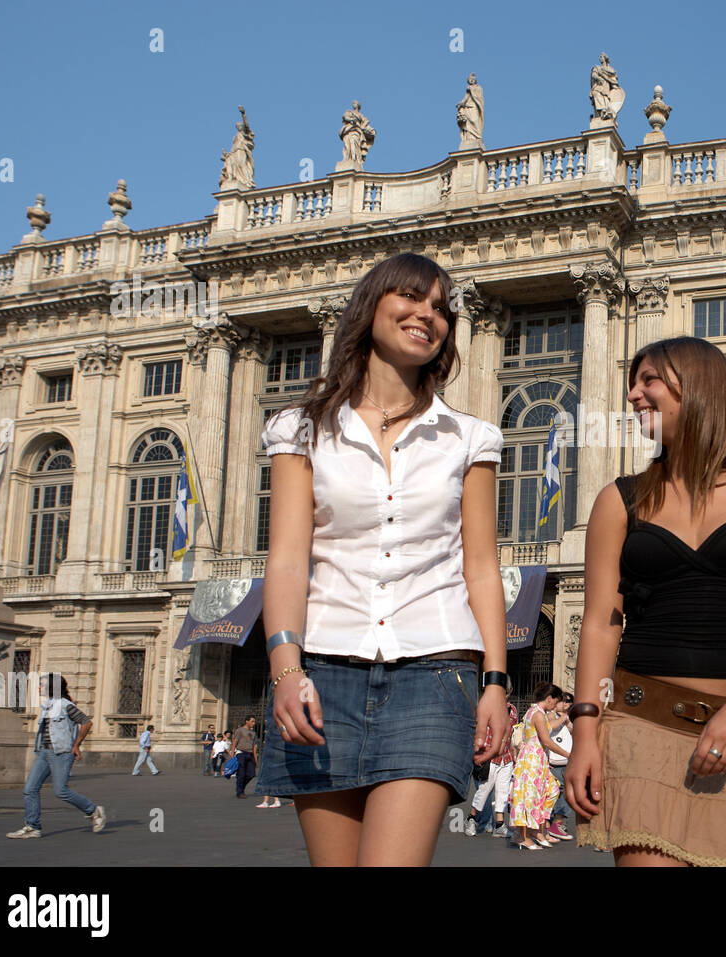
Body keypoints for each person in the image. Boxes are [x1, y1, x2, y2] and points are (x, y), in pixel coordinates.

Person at [252, 252, 509, 866]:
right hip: (324, 675)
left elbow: (480, 566)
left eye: (443, 309)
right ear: (371, 307)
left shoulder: (469, 438)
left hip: (434, 674)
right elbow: (287, 561)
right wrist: (286, 669)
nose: (428, 315)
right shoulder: (300, 430)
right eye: (412, 298)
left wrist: (496, 682)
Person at [567, 336, 726, 867]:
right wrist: (585, 731)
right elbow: (602, 624)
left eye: (648, 380)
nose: (633, 394)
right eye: (634, 382)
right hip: (639, 725)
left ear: (696, 388)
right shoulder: (619, 499)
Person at [7, 674, 106, 839]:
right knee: (30, 789)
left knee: (60, 791)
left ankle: (94, 811)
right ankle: (32, 827)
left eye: (42, 685)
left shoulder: (65, 705)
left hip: (61, 753)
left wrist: (76, 745)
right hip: (44, 752)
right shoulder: (47, 706)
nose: (39, 688)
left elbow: (87, 722)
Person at [510, 683, 568, 850]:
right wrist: (568, 755)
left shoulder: (536, 712)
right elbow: (547, 741)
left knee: (550, 791)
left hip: (538, 759)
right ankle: (522, 835)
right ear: (549, 698)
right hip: (533, 759)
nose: (555, 705)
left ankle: (535, 830)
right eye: (555, 701)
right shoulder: (538, 714)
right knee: (530, 797)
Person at [465, 694, 519, 838]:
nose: (505, 694)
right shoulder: (488, 708)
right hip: (489, 755)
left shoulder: (512, 709)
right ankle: (471, 819)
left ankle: (500, 825)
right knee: (484, 790)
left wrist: (512, 747)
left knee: (503, 791)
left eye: (507, 691)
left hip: (505, 756)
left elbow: (511, 731)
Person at [546, 696, 575, 840]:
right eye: (564, 700)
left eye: (570, 701)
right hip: (555, 762)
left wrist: (568, 718)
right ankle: (550, 824)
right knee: (552, 793)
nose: (567, 703)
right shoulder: (550, 715)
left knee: (569, 791)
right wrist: (565, 716)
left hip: (567, 762)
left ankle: (557, 822)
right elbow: (553, 725)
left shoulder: (567, 717)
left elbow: (571, 730)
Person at [232, 717, 257, 799]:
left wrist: (255, 759)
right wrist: (232, 754)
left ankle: (241, 787)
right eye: (252, 721)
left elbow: (254, 746)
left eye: (254, 721)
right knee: (241, 774)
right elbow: (235, 741)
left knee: (251, 774)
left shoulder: (253, 733)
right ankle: (239, 792)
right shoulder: (240, 730)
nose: (254, 723)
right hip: (241, 753)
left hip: (250, 754)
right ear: (247, 721)